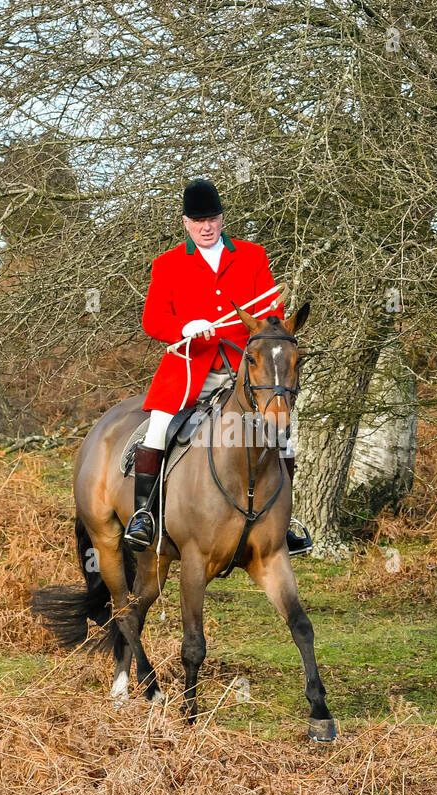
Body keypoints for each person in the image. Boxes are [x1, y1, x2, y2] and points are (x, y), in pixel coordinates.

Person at [124, 178, 313, 556]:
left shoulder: (253, 256)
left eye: (211, 219)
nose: (206, 227)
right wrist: (184, 327)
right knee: (158, 428)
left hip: (245, 369)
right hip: (190, 369)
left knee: (280, 433)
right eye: (198, 222)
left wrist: (263, 331)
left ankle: (286, 521)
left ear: (221, 218)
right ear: (185, 224)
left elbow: (272, 314)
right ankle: (144, 514)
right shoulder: (167, 264)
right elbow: (151, 320)